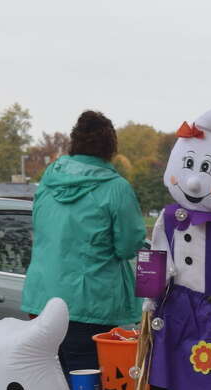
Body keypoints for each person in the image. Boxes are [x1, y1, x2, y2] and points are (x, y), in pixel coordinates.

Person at [20, 110, 146, 373]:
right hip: (90, 304)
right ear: (111, 148)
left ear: (74, 142)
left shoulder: (48, 180)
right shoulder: (116, 188)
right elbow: (128, 245)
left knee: (48, 385)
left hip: (41, 300)